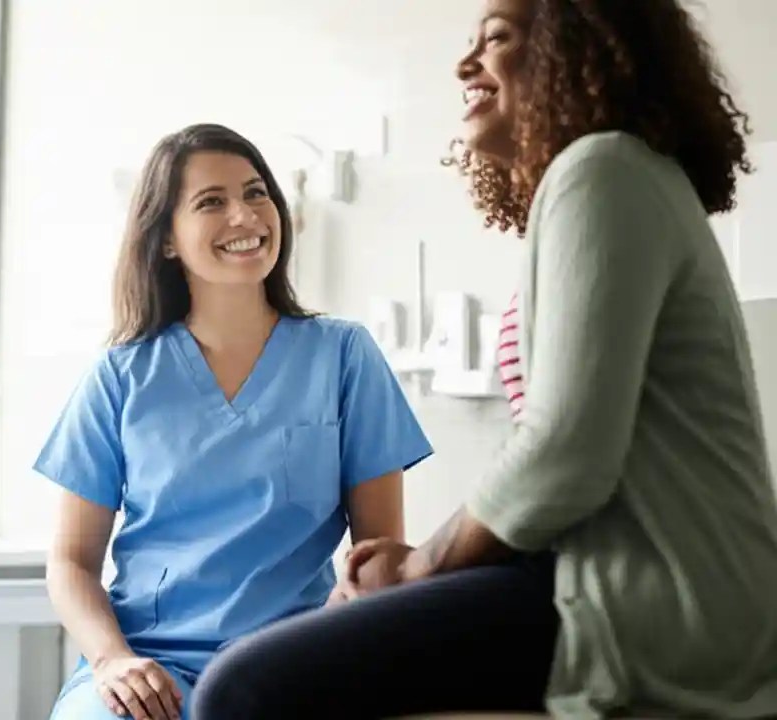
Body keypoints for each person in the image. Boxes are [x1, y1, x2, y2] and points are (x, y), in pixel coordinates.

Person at [192, 1, 777, 718]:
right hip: (620, 576)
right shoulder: (619, 178)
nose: (463, 63)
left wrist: (422, 565)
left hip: (661, 597)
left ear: (574, 47)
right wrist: (425, 566)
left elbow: (565, 453)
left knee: (240, 689)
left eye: (496, 37)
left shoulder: (603, 169)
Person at [35, 123, 433, 720]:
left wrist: (349, 615)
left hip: (292, 660)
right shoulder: (121, 376)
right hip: (150, 664)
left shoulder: (344, 356)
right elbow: (70, 561)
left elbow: (378, 552)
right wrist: (111, 660)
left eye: (255, 193)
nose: (245, 216)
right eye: (211, 202)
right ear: (166, 240)